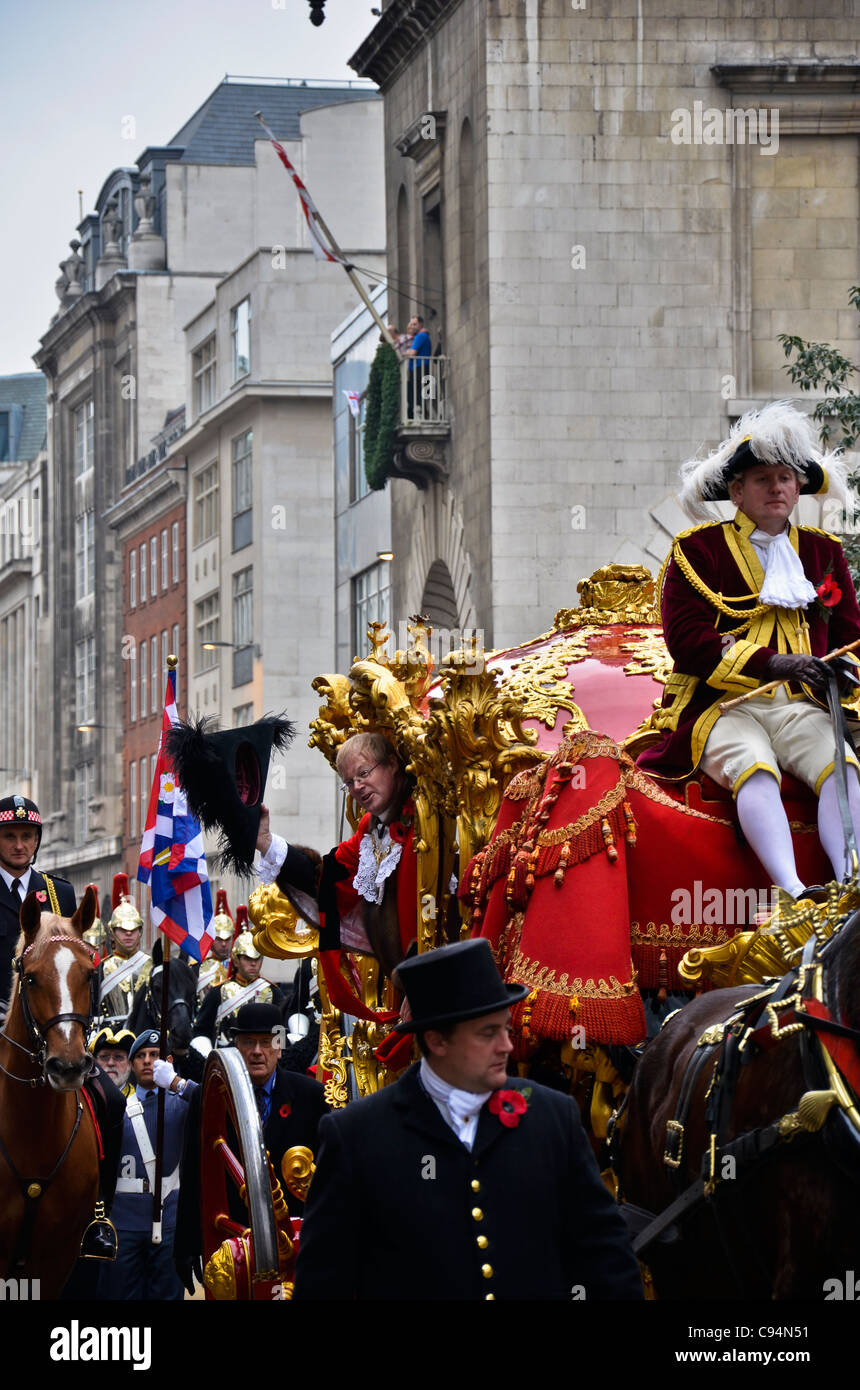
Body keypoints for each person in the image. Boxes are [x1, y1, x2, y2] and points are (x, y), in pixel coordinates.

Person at [293, 939, 643, 1301]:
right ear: (437, 1041)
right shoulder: (357, 1136)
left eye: (505, 1029)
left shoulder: (552, 1116)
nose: (507, 1047)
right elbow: (323, 1284)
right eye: (487, 1034)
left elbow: (605, 1256)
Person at [638, 401, 860, 897]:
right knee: (754, 764)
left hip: (801, 705)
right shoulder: (698, 550)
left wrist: (843, 673)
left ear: (799, 487)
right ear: (737, 492)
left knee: (840, 761)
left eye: (786, 477)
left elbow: (848, 635)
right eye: (763, 479)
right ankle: (793, 890)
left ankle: (851, 888)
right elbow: (689, 644)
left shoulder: (824, 552)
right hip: (719, 706)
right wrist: (775, 663)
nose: (777, 488)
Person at [174, 1001, 328, 1294]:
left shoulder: (311, 1096)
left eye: (266, 1042)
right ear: (236, 1047)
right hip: (232, 1246)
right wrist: (186, 1244)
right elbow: (194, 1171)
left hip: (297, 1245)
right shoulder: (209, 1097)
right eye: (248, 1042)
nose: (258, 1051)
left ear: (280, 1046)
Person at [255, 731, 418, 980]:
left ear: (392, 765)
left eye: (363, 774)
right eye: (349, 782)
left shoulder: (424, 813)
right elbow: (327, 879)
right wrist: (266, 842)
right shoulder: (370, 829)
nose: (357, 787)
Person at [98, 1029, 197, 1300]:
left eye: (154, 1055)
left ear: (167, 1061)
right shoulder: (115, 1107)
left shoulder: (182, 1104)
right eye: (140, 1056)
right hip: (123, 1221)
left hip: (169, 1220)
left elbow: (216, 1100)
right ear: (131, 1066)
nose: (147, 1061)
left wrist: (177, 1083)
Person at [0, 794, 76, 1012]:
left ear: (36, 840)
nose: (19, 845)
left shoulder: (60, 894)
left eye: (27, 836)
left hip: (48, 1020)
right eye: (9, 837)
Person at [193, 929, 287, 1048]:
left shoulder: (274, 992)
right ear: (236, 961)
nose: (253, 964)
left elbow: (280, 1030)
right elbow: (202, 1029)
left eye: (257, 959)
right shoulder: (218, 992)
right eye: (247, 959)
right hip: (227, 1057)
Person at [99, 874, 152, 1028]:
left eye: (133, 929)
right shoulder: (101, 968)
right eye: (122, 929)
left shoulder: (151, 965)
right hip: (110, 1037)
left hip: (145, 1036)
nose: (129, 934)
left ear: (140, 932)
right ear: (112, 934)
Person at [195, 889, 233, 1005]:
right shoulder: (198, 967)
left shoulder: (238, 966)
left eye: (227, 940)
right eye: (219, 939)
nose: (223, 944)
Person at [90, 1025, 136, 1098]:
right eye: (104, 1057)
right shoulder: (82, 1100)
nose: (111, 1063)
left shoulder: (141, 1101)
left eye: (118, 1057)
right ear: (94, 1061)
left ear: (130, 1064)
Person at [406, 314, 432, 419]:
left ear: (421, 324)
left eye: (415, 324)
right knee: (417, 392)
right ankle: (419, 412)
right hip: (420, 367)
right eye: (411, 324)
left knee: (415, 392)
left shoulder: (420, 336)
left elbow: (412, 353)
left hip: (419, 367)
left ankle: (417, 413)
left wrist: (404, 353)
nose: (412, 326)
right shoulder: (422, 336)